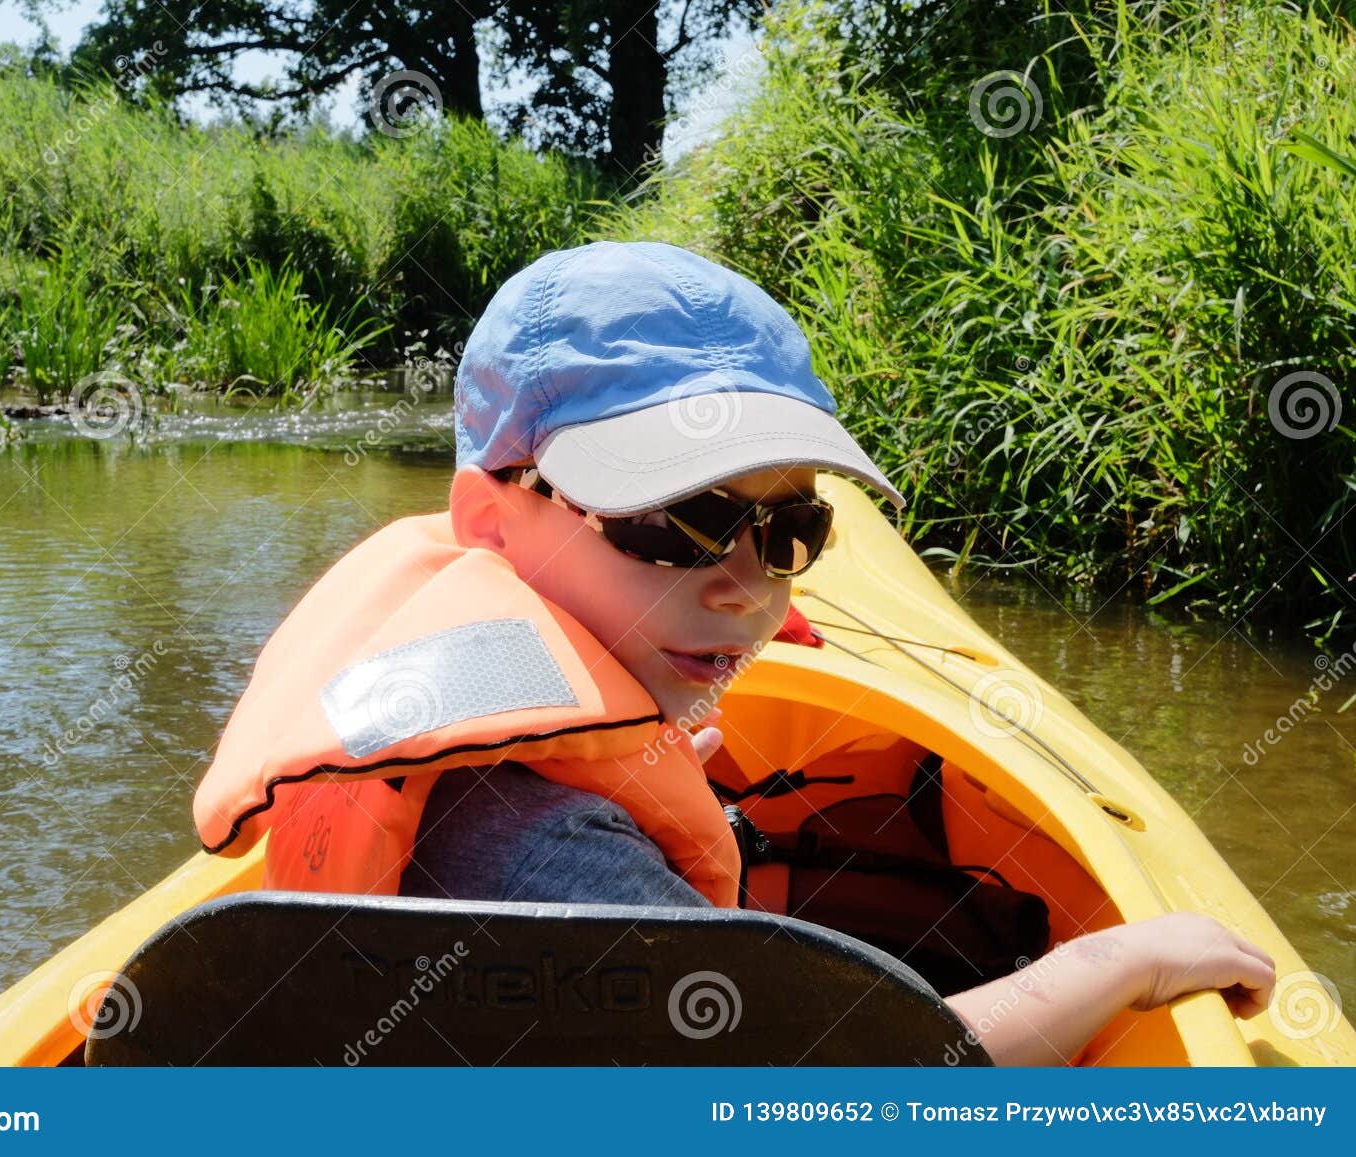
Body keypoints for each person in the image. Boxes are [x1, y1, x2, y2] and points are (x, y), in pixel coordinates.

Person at [192, 240, 1275, 1066]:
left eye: (790, 530)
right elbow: (873, 1088)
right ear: (490, 519)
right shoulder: (555, 861)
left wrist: (650, 750)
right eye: (675, 522)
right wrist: (1114, 959)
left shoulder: (482, 760)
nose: (747, 582)